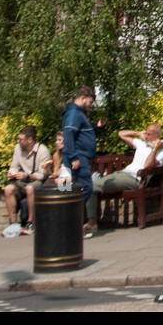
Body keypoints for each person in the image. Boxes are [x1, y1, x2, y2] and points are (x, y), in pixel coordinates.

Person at [87, 125, 163, 227]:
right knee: (91, 186)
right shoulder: (141, 143)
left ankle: (92, 222)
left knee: (92, 187)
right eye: (146, 133)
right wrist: (138, 133)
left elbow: (147, 166)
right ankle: (90, 220)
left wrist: (155, 149)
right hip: (123, 174)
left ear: (157, 135)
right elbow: (121, 134)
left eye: (149, 134)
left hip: (136, 179)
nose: (146, 136)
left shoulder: (161, 151)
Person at [1, 126, 51, 237]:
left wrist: (27, 175)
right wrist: (12, 173)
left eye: (21, 139)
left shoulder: (43, 151)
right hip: (22, 181)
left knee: (30, 188)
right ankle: (13, 224)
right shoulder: (18, 148)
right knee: (8, 189)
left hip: (38, 181)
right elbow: (14, 166)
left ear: (30, 140)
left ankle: (30, 223)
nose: (18, 141)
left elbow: (42, 175)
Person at [62, 85, 97, 234]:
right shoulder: (74, 113)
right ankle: (68, 219)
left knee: (74, 189)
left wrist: (97, 128)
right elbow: (68, 134)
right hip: (78, 156)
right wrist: (74, 157)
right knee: (85, 188)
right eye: (90, 101)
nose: (91, 105)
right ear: (83, 98)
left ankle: (69, 223)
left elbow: (81, 134)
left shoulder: (78, 113)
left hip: (80, 156)